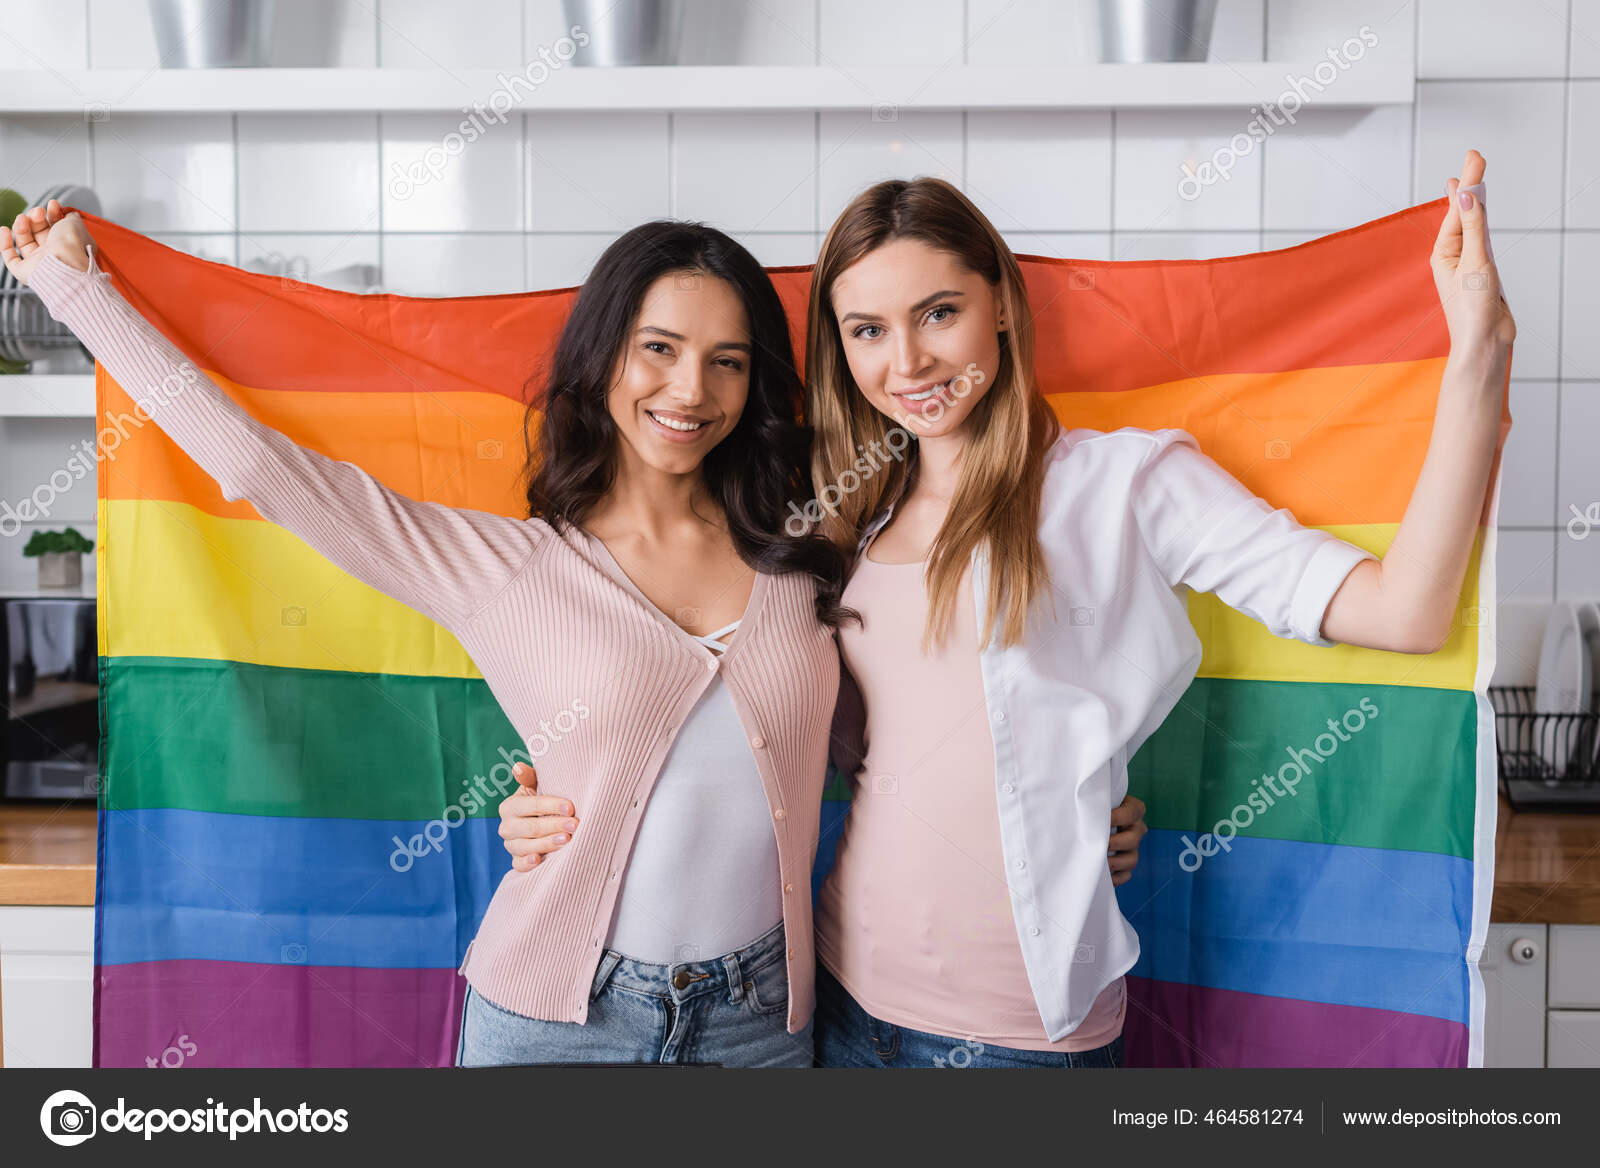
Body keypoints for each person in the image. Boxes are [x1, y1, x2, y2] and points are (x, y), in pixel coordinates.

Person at [6, 205, 852, 1067]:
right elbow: (262, 468)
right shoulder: (505, 568)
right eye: (659, 348)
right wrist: (80, 293)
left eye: (727, 361)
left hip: (761, 1021)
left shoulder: (809, 554)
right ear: (604, 357)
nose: (691, 390)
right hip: (559, 1024)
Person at [790, 150, 1510, 1069]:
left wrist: (1479, 353)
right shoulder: (850, 517)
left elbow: (1405, 613)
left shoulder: (1122, 484)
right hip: (844, 1000)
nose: (908, 362)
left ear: (1001, 305)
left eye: (939, 313)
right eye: (868, 330)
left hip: (1019, 1040)